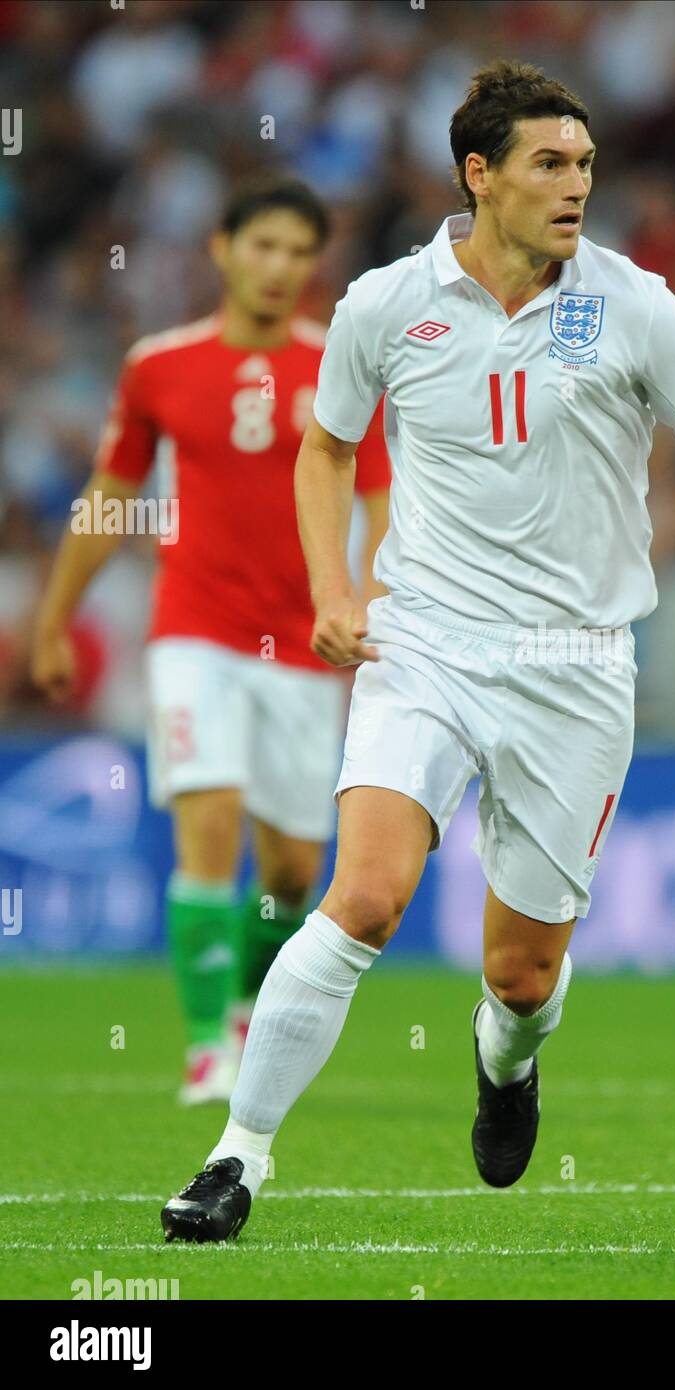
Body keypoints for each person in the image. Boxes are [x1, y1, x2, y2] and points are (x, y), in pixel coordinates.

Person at [161, 59, 675, 1244]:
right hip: (424, 643)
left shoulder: (632, 302)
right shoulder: (390, 303)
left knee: (523, 974)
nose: (576, 184)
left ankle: (506, 1062)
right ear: (479, 176)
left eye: (585, 164)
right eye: (550, 163)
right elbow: (324, 451)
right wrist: (335, 588)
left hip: (578, 666)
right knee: (366, 897)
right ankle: (237, 1157)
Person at [32, 174, 391, 1105]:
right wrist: (55, 616)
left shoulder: (341, 365)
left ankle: (239, 1007)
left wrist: (368, 597)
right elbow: (111, 494)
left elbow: (382, 497)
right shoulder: (159, 364)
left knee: (289, 869)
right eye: (263, 246)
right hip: (194, 626)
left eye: (299, 252)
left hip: (306, 637)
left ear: (316, 267)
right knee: (210, 815)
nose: (279, 267)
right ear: (222, 251)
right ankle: (203, 1047)